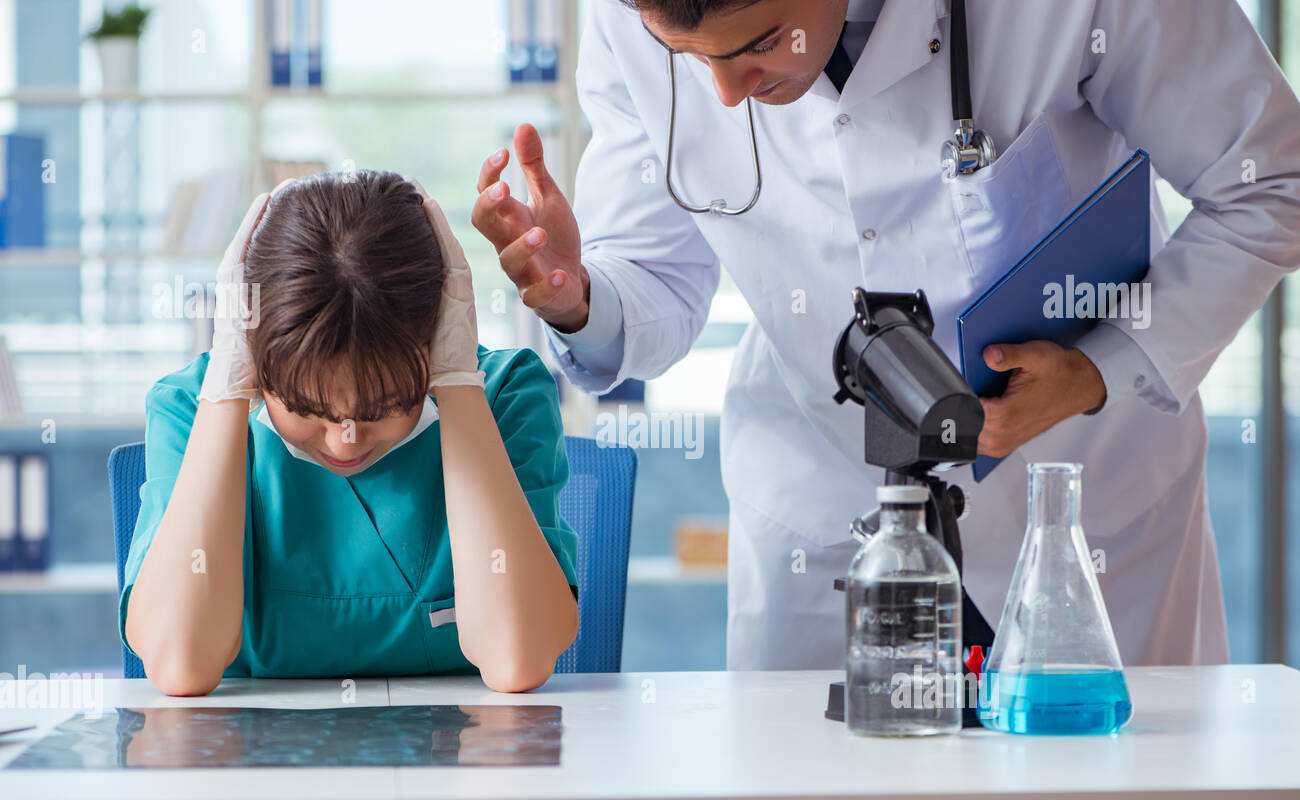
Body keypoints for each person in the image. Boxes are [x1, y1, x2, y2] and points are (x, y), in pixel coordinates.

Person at [472, 0, 1300, 669]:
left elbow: (1272, 181)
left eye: (759, 44)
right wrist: (578, 297)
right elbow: (652, 282)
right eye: (689, 57)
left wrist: (1096, 367)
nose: (724, 93)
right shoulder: (631, 21)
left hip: (1080, 487)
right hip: (823, 499)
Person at [120, 171, 579, 696]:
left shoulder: (503, 397)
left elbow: (518, 658)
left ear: (433, 346)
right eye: (306, 407)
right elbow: (181, 663)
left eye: (383, 406)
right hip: (251, 771)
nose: (346, 439)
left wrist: (457, 382)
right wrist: (228, 382)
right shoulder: (191, 408)